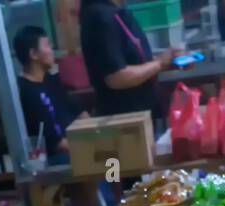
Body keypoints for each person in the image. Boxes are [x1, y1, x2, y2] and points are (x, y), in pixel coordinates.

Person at [80, 0, 176, 119]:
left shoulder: (118, 12)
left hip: (145, 112)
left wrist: (170, 61)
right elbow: (116, 76)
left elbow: (136, 61)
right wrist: (159, 63)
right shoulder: (100, 16)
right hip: (125, 121)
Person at [13, 25, 87, 164]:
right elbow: (55, 144)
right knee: (93, 158)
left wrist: (96, 132)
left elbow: (76, 108)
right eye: (47, 45)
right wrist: (89, 147)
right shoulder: (27, 92)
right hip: (52, 156)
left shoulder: (51, 76)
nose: (52, 50)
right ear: (34, 54)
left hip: (73, 142)